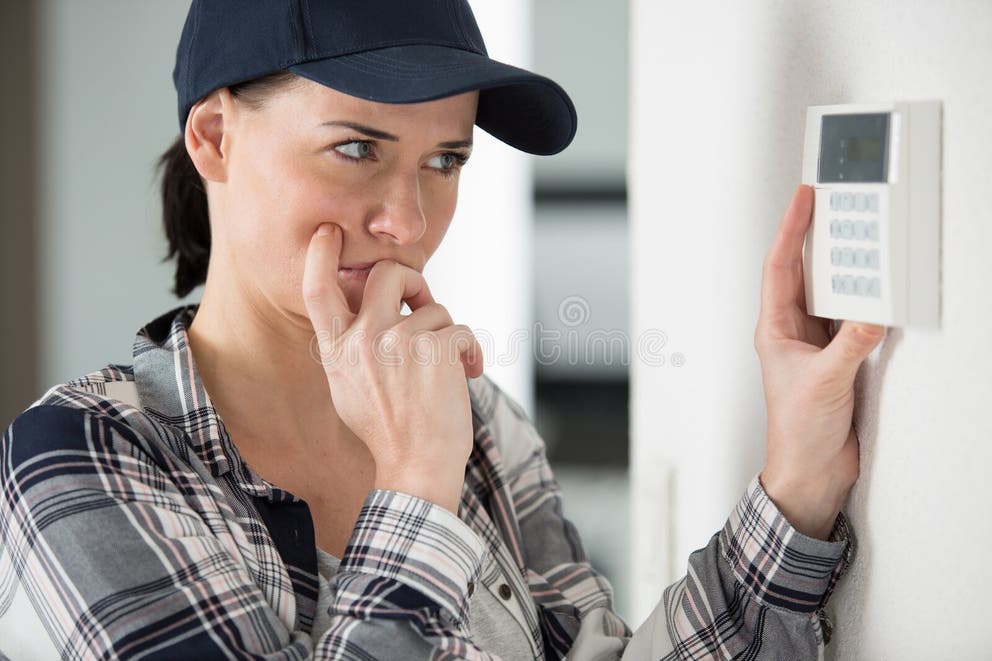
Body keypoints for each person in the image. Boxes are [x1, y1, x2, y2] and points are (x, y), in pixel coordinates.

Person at [0, 1, 886, 659]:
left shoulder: (480, 420)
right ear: (214, 137)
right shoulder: (81, 456)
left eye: (445, 159)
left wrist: (797, 483)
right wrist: (417, 485)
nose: (409, 221)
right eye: (357, 147)